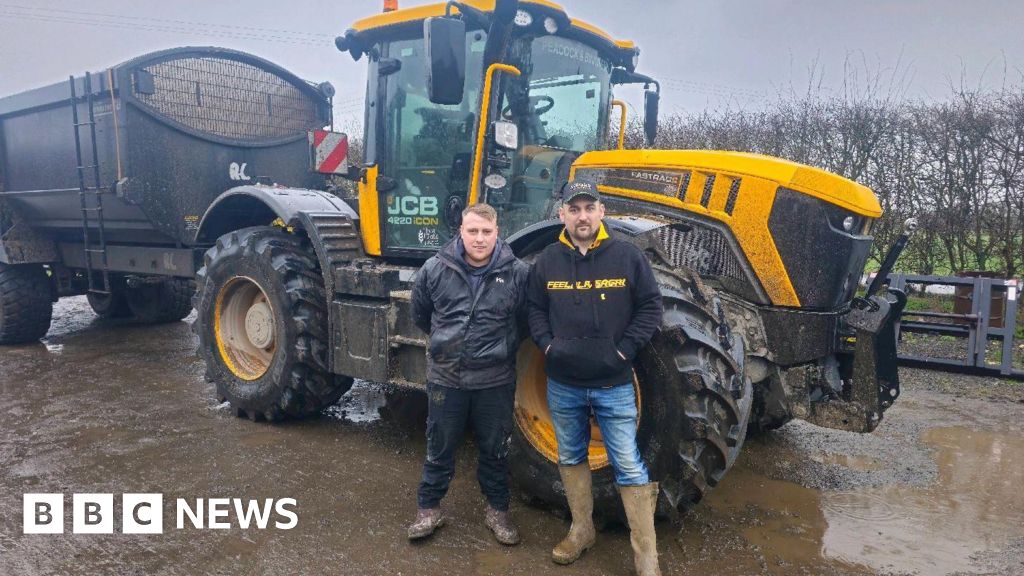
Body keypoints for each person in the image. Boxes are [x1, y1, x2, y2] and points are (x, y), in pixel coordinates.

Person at [526, 181, 664, 576]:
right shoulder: (548, 259)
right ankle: (581, 530)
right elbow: (534, 308)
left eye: (589, 208)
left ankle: (646, 558)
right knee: (570, 455)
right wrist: (548, 346)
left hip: (613, 385)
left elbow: (650, 307)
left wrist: (624, 351)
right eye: (575, 209)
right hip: (562, 384)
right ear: (562, 215)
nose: (582, 216)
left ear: (601, 212)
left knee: (628, 464)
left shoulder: (626, 256)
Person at [409, 203, 530, 545]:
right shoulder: (435, 269)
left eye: (486, 232)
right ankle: (429, 508)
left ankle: (498, 511)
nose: (479, 239)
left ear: (497, 232)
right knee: (440, 445)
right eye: (472, 231)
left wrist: (500, 348)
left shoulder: (517, 273)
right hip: (447, 377)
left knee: (495, 449)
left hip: (495, 379)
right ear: (460, 231)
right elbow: (421, 314)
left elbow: (523, 322)